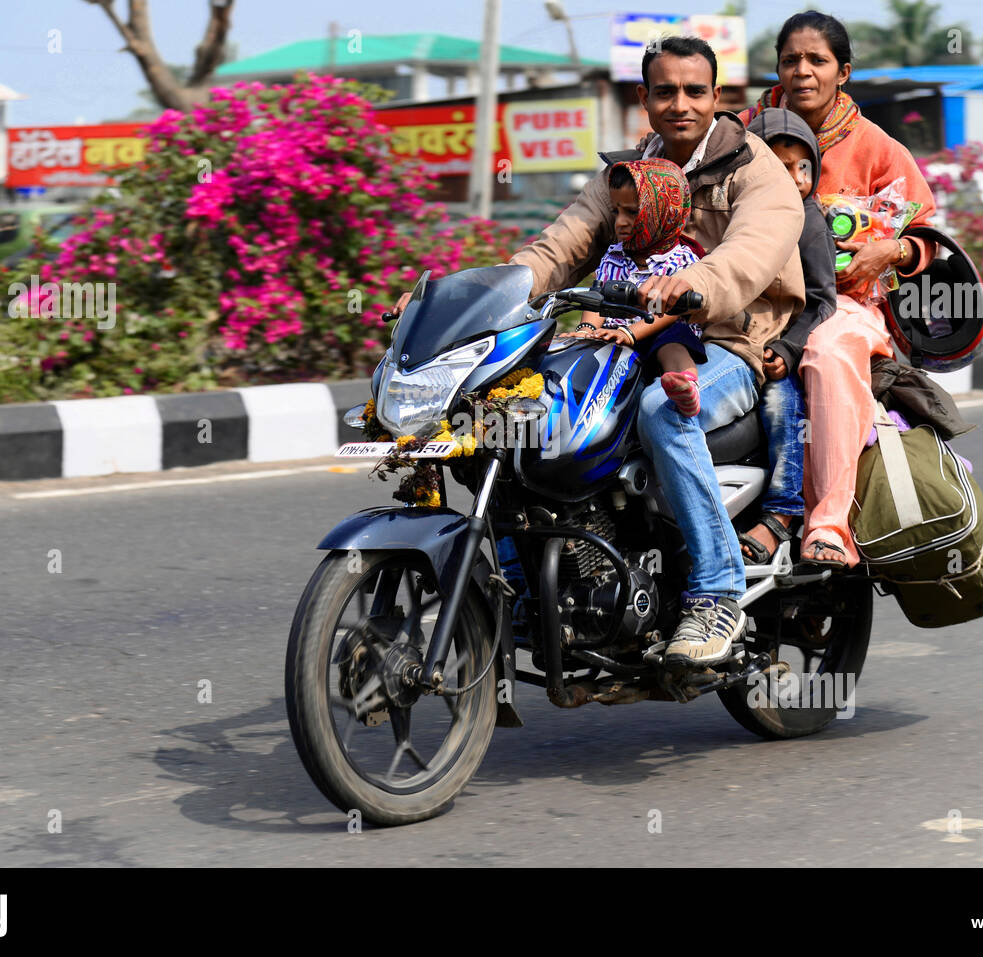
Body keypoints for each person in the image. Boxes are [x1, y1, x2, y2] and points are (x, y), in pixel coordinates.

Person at [394, 35, 806, 666]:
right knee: (504, 411)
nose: (680, 105)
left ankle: (716, 593)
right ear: (644, 98)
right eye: (665, 91)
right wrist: (465, 300)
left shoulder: (755, 169)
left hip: (727, 342)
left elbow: (752, 252)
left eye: (695, 91)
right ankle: (530, 584)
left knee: (662, 413)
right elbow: (558, 248)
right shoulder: (627, 172)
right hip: (622, 335)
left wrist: (690, 285)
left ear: (716, 96)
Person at [739, 11, 940, 570]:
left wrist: (890, 251)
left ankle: (826, 525)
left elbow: (926, 236)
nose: (802, 70)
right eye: (790, 60)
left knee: (825, 353)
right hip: (749, 302)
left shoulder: (878, 148)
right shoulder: (739, 134)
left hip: (846, 306)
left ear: (842, 72)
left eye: (817, 60)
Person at [737, 107, 838, 564]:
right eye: (781, 168)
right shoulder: (738, 212)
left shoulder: (809, 222)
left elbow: (821, 300)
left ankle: (782, 513)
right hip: (731, 339)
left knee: (782, 403)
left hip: (780, 340)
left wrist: (787, 348)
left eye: (804, 168)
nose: (796, 179)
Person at [561, 158, 710, 416]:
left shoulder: (682, 260)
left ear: (662, 212)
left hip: (657, 332)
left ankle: (684, 383)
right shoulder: (613, 255)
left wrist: (631, 332)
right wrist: (586, 329)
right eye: (616, 211)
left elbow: (669, 310)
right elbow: (598, 296)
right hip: (615, 337)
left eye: (631, 212)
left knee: (672, 342)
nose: (620, 222)